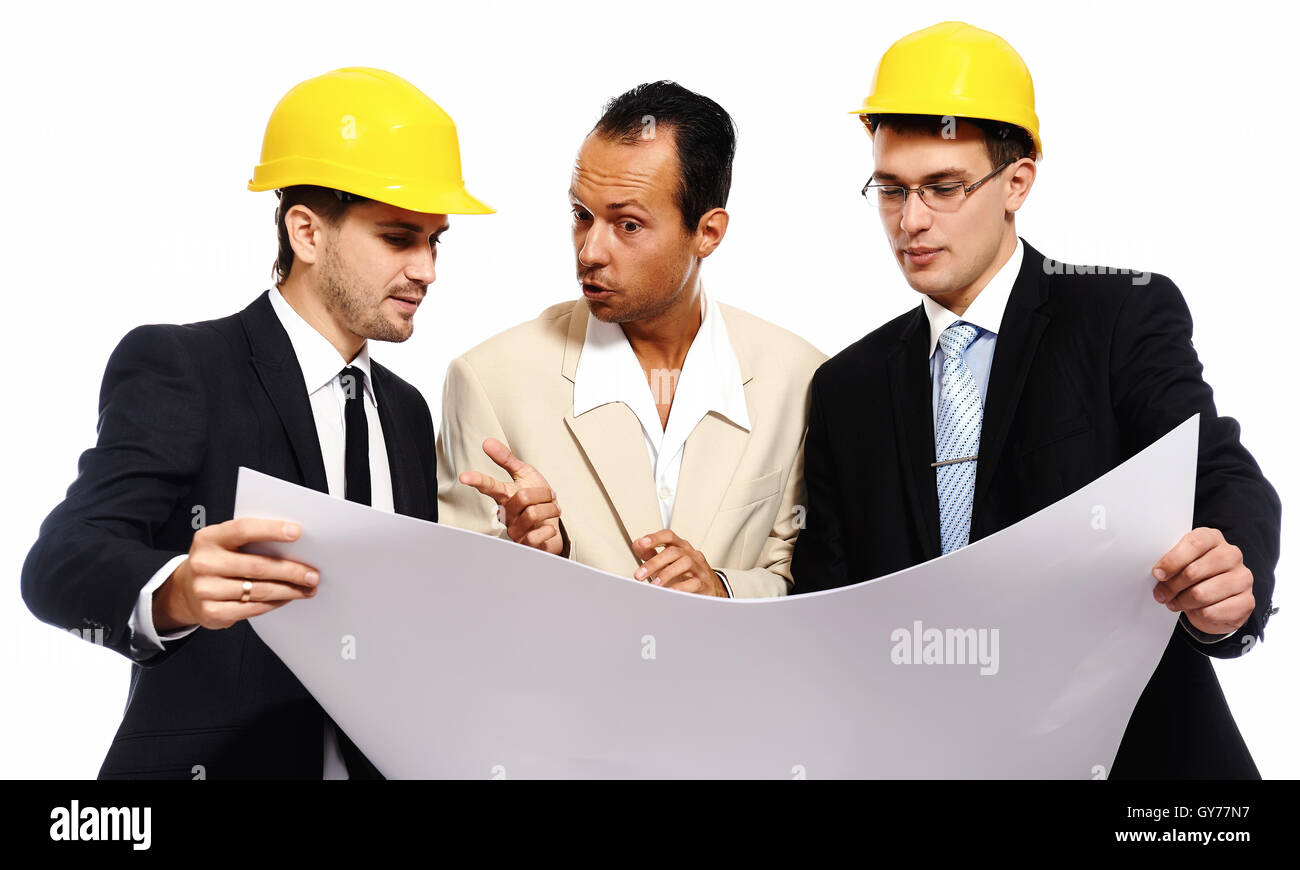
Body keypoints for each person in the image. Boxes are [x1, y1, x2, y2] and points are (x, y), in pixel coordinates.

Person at [790, 22, 1280, 778]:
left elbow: (1217, 472)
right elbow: (828, 607)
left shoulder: (1117, 316)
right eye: (890, 189)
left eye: (943, 188)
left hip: (1137, 763)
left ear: (1017, 181)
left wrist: (1228, 575)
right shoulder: (847, 388)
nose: (910, 221)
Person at [21, 67, 493, 779]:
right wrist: (175, 589)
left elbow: (402, 617)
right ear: (306, 231)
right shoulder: (184, 365)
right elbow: (59, 562)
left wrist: (515, 557)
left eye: (436, 241)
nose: (426, 269)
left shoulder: (403, 409)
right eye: (399, 237)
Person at [436, 81, 825, 597]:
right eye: (582, 216)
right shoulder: (489, 380)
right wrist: (533, 557)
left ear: (707, 232)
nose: (590, 251)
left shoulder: (801, 378)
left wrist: (724, 590)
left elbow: (809, 584)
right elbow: (456, 600)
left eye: (628, 224)